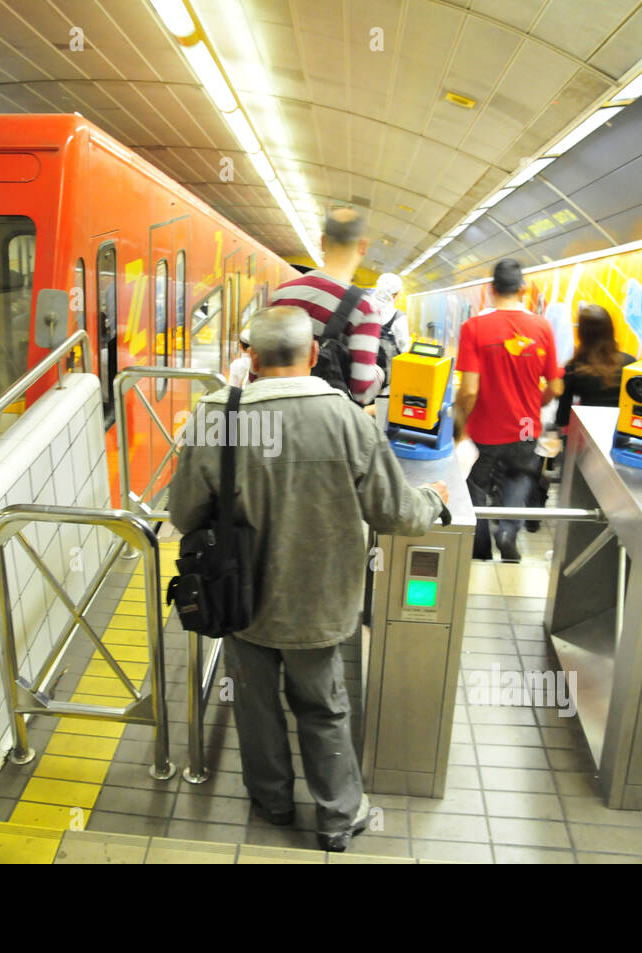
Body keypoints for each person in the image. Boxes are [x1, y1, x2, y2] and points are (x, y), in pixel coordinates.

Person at [168, 306, 451, 853]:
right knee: (323, 706)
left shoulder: (216, 416)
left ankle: (271, 801)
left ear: (251, 358)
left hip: (239, 595)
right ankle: (337, 817)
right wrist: (433, 500)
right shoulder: (347, 418)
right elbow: (394, 512)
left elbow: (183, 513)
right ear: (315, 354)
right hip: (320, 600)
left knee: (254, 704)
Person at [456, 259, 563, 563]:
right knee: (519, 476)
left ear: (491, 289)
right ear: (523, 289)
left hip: (484, 427)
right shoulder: (542, 327)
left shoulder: (474, 327)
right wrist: (535, 403)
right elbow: (556, 387)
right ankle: (507, 532)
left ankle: (479, 548)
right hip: (526, 426)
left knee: (476, 483)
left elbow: (470, 390)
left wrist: (459, 424)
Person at [268, 207, 384, 404]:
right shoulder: (365, 309)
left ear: (322, 242)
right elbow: (362, 392)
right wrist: (379, 373)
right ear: (363, 246)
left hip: (274, 412)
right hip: (324, 417)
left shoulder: (282, 293)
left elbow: (260, 365)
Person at [554, 303, 635, 431]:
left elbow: (562, 417)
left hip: (589, 432)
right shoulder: (630, 363)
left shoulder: (574, 369)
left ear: (581, 333)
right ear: (610, 330)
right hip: (621, 433)